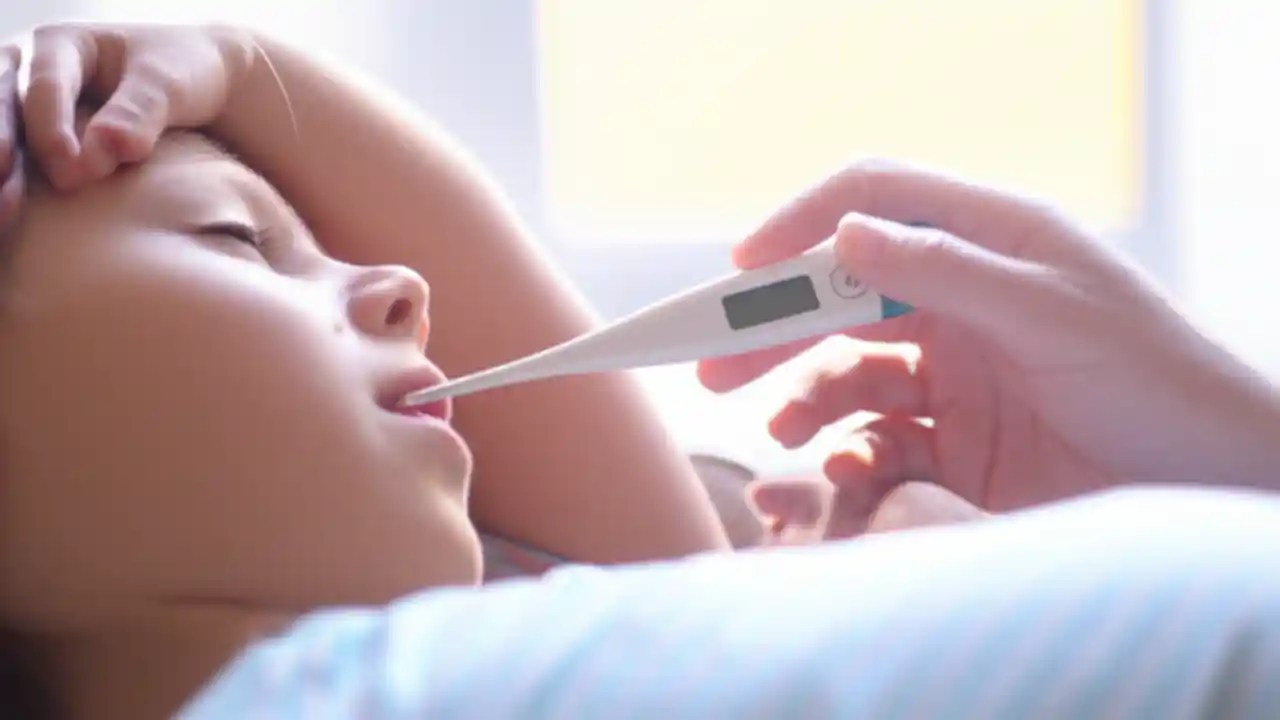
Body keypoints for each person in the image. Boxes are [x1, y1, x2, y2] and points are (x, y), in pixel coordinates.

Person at [2, 21, 1280, 720]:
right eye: (236, 237)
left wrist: (238, 65)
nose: (402, 288)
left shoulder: (466, 654)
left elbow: (665, 568)